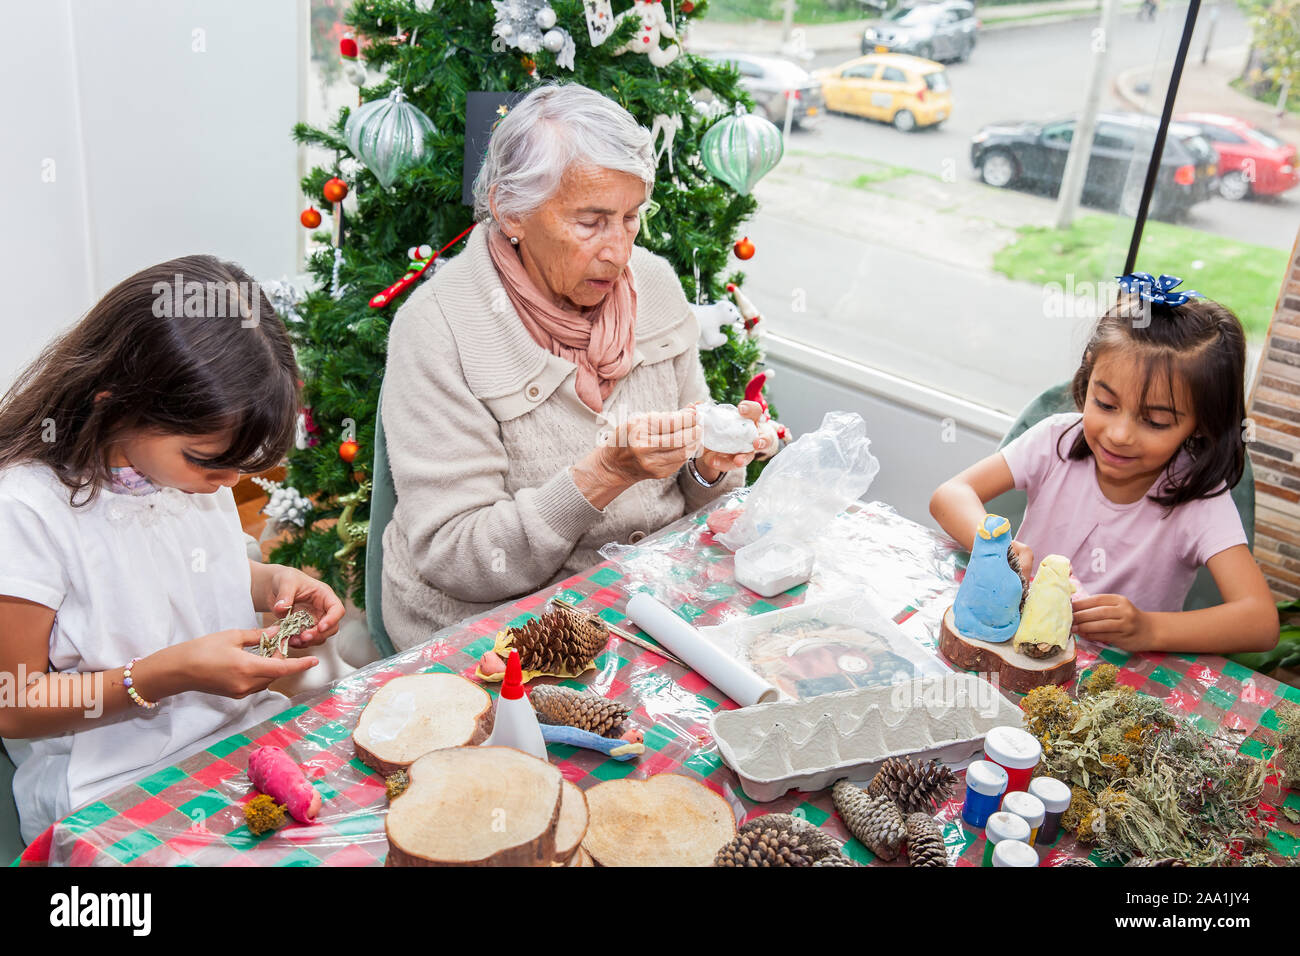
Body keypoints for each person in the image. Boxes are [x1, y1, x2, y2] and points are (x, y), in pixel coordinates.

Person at [380, 83, 776, 650]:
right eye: (591, 222)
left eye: (632, 217)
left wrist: (711, 465)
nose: (619, 251)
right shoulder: (439, 327)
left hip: (644, 602)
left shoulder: (656, 285)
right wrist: (603, 475)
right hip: (492, 635)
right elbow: (457, 555)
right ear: (510, 211)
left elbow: (696, 503)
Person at [0, 255, 345, 844]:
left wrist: (272, 582)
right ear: (116, 404)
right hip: (108, 785)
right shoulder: (28, 507)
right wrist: (168, 675)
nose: (230, 482)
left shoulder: (183, 471)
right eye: (211, 461)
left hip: (234, 742)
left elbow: (201, 572)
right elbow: (17, 703)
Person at [930, 274, 1277, 655]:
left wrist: (1148, 628)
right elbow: (950, 495)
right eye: (1106, 404)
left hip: (1118, 676)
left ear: (1201, 422)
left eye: (1156, 421)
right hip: (1016, 645)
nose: (1119, 434)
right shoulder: (1054, 440)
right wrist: (1002, 549)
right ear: (1089, 374)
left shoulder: (1200, 500)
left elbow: (1259, 623)